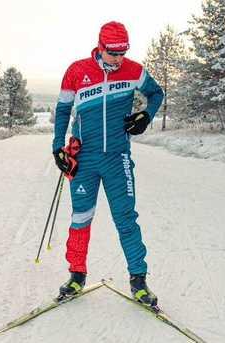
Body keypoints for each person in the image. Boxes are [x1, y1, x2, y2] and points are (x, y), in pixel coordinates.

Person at [52, 21, 164, 306]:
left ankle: (139, 281)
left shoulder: (134, 70)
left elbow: (156, 93)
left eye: (122, 52)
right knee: (80, 218)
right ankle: (76, 276)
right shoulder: (77, 71)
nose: (118, 58)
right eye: (113, 53)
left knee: (126, 218)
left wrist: (145, 116)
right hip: (84, 158)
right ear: (100, 47)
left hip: (117, 157)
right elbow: (64, 109)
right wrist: (57, 147)